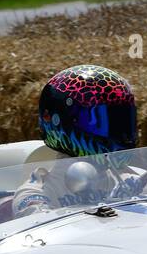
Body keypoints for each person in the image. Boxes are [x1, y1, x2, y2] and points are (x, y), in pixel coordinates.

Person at [12, 65, 140, 217]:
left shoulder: (130, 181)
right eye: (99, 120)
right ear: (64, 123)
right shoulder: (36, 193)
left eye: (122, 121)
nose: (118, 131)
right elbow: (36, 220)